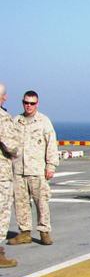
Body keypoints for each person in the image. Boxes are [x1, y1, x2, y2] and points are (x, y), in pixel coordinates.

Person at [8, 91, 58, 246]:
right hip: (18, 169)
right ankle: (24, 232)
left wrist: (51, 166)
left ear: (37, 104)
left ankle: (44, 231)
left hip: (37, 169)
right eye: (26, 102)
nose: (28, 106)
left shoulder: (43, 121)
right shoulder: (16, 121)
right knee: (21, 202)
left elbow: (51, 144)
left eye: (31, 103)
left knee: (41, 202)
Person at [0, 83, 20, 266]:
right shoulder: (3, 117)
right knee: (2, 212)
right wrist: (16, 151)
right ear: (4, 97)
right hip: (1, 174)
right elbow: (11, 145)